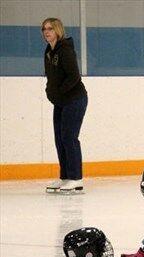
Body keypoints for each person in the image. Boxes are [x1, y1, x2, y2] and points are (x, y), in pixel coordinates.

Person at [42, 18, 87, 194]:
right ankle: (66, 177)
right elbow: (50, 76)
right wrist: (49, 91)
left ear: (58, 30)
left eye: (50, 29)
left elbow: (74, 76)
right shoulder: (49, 51)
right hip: (61, 101)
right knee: (60, 138)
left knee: (69, 137)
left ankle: (76, 178)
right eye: (44, 29)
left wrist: (59, 92)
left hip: (75, 99)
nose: (47, 32)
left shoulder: (65, 50)